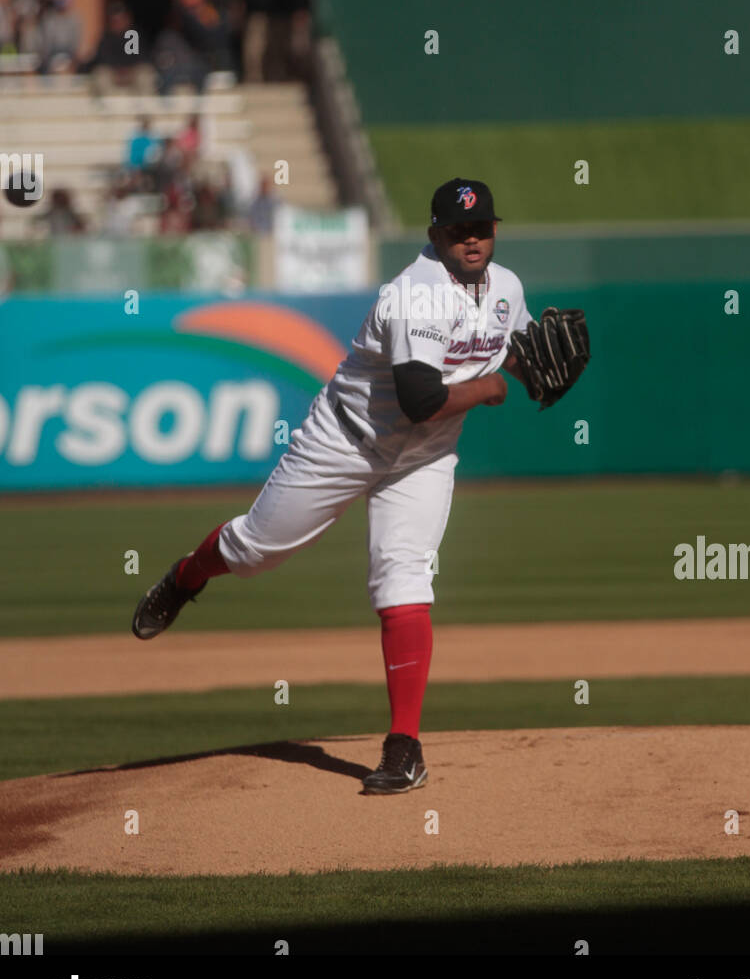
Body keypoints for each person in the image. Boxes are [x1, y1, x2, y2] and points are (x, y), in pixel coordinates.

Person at [131, 178, 533, 795]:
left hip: (423, 459)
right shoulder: (415, 293)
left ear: (495, 230)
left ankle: (405, 748)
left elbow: (521, 350)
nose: (472, 239)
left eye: (481, 228)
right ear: (436, 235)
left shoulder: (507, 288)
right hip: (344, 440)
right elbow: (423, 398)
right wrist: (495, 387)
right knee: (255, 552)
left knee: (404, 576)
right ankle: (186, 576)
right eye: (458, 230)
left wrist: (538, 371)